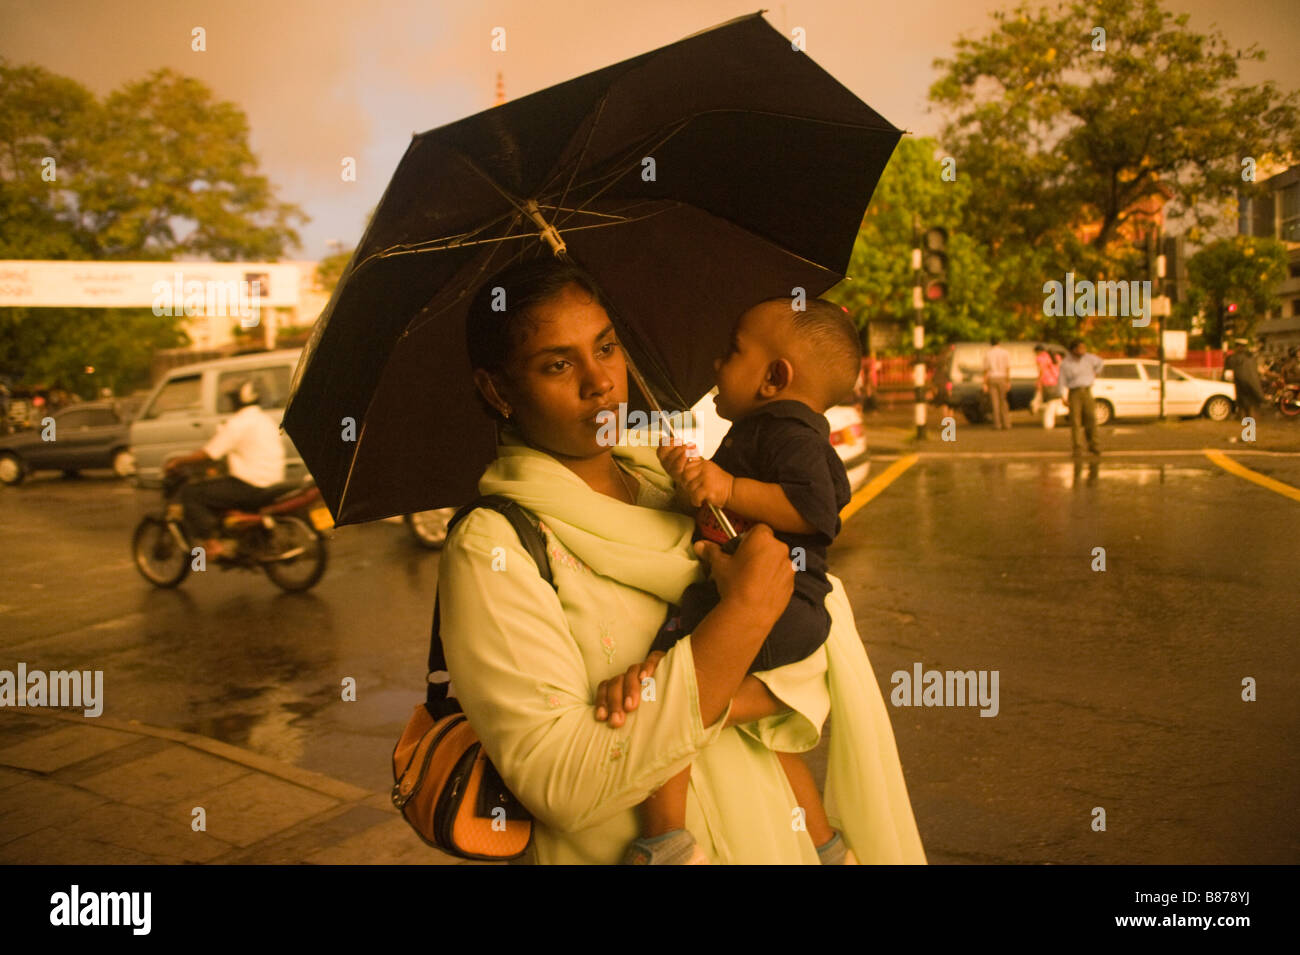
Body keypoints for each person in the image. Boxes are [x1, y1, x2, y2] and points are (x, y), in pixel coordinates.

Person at [436, 256, 927, 865]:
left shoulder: (676, 491)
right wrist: (742, 617)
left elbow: (809, 664)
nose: (601, 383)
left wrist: (694, 680)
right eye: (558, 364)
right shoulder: (495, 548)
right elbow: (561, 782)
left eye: (607, 347)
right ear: (497, 389)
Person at [622, 296, 857, 865]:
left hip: (778, 603)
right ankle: (825, 846)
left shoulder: (786, 431)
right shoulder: (775, 429)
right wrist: (696, 481)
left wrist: (727, 487)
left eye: (732, 352)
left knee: (668, 696)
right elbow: (730, 511)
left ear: (775, 377)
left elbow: (815, 511)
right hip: (780, 603)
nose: (715, 365)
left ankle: (665, 841)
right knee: (759, 738)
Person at [165, 379, 285, 559]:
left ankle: (212, 545)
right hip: (273, 480)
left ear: (238, 400)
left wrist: (179, 462)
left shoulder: (238, 423)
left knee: (192, 493)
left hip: (249, 484)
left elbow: (209, 454)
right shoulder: (265, 420)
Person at [1059, 339, 1103, 456]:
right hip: (1074, 392)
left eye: (1084, 348)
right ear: (1074, 350)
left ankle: (1094, 445)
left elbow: (1100, 363)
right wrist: (1062, 396)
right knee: (1076, 421)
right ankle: (1077, 447)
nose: (1083, 350)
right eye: (1080, 348)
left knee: (1091, 419)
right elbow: (1061, 380)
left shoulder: (1089, 359)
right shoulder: (1066, 363)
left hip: (1087, 391)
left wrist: (1096, 372)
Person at [1225, 339, 1265, 421]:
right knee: (1249, 402)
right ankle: (1246, 418)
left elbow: (1228, 371)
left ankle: (1245, 418)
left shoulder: (1234, 358)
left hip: (1241, 383)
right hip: (1252, 383)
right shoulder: (1251, 357)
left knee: (1244, 402)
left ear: (1238, 347)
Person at [982, 336, 1012, 429]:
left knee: (994, 402)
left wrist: (984, 383)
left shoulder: (988, 354)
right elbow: (1007, 368)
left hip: (992, 378)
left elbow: (985, 370)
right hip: (1002, 377)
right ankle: (1006, 423)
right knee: (1003, 401)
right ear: (999, 342)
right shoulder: (1005, 353)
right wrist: (1008, 381)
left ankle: (997, 424)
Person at [1033, 344, 1062, 430]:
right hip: (1057, 382)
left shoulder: (1040, 358)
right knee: (1052, 404)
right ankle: (1049, 423)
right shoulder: (1056, 357)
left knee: (1048, 404)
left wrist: (1038, 382)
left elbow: (1041, 371)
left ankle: (1035, 406)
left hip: (1046, 382)